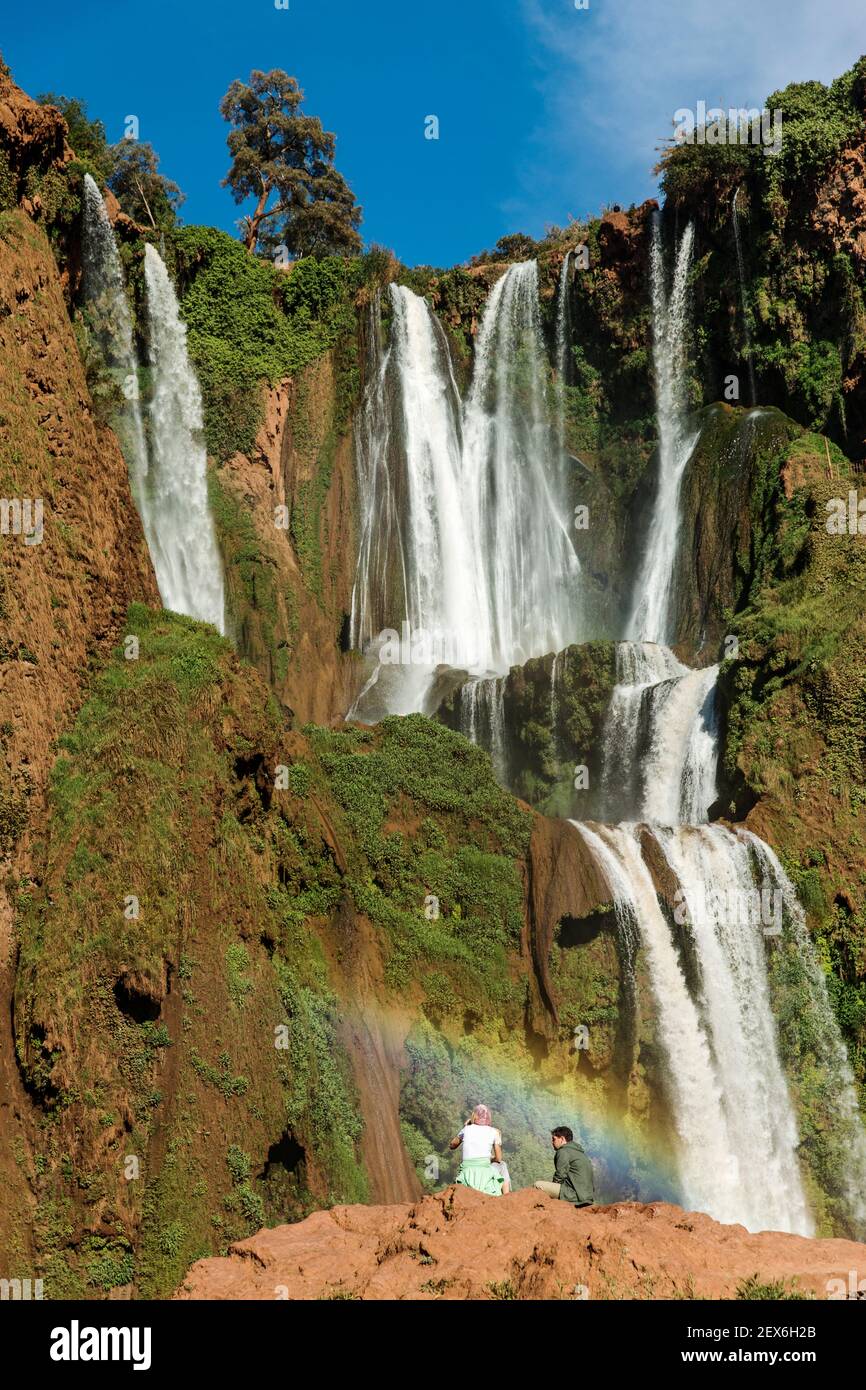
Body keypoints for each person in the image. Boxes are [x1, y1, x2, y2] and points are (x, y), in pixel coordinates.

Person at [449, 1104, 504, 1196]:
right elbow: (499, 1159)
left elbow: (452, 1145)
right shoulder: (494, 1132)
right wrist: (490, 1159)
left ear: (474, 1116)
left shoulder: (466, 1129)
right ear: (488, 1118)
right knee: (499, 1174)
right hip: (485, 1174)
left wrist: (466, 1126)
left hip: (467, 1173)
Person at [533, 1126, 594, 1206]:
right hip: (587, 1197)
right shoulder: (580, 1153)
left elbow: (560, 1175)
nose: (552, 1142)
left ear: (562, 1139)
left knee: (537, 1185)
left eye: (554, 1139)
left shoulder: (563, 1151)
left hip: (574, 1195)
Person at [491, 1125, 511, 1195]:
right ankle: (506, 1195)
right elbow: (498, 1158)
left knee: (501, 1164)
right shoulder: (492, 1132)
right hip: (482, 1165)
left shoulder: (468, 1129)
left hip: (468, 1164)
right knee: (502, 1164)